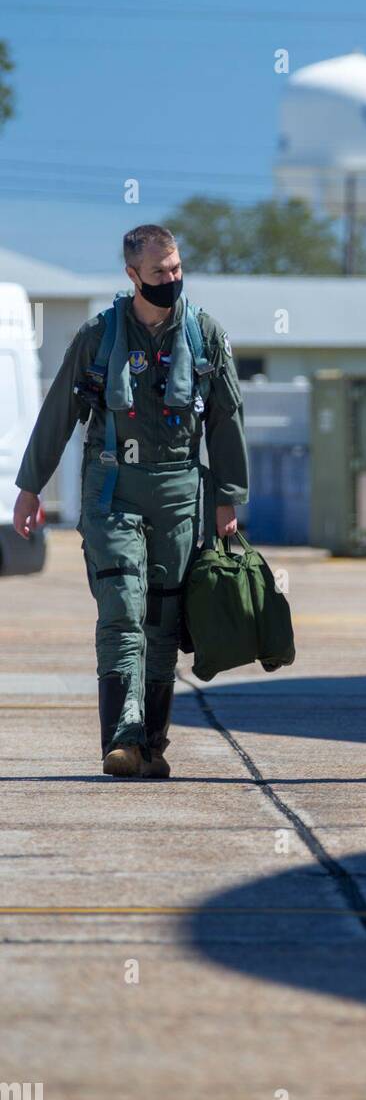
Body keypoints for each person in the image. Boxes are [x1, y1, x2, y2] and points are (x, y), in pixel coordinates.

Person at [12, 224, 248, 779]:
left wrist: (228, 500)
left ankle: (153, 744)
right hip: (114, 487)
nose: (172, 279)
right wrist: (29, 487)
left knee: (163, 621)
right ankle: (122, 739)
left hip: (181, 492)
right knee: (122, 607)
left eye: (176, 268)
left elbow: (227, 420)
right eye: (160, 272)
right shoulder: (98, 336)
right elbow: (57, 415)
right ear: (132, 275)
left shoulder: (205, 335)